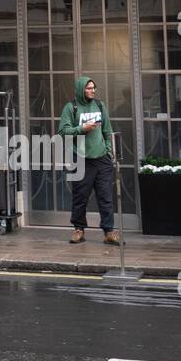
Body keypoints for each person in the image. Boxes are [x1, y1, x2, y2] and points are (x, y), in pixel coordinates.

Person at [59, 77, 120, 245]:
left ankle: (108, 231)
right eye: (89, 88)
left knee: (106, 196)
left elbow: (108, 130)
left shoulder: (100, 105)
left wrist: (108, 150)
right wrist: (81, 129)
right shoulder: (71, 107)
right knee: (80, 196)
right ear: (81, 90)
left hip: (101, 159)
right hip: (81, 158)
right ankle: (79, 230)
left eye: (94, 88)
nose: (93, 90)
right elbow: (63, 132)